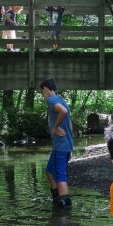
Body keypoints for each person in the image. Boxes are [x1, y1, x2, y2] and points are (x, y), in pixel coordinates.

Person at [40, 77, 74, 209]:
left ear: (46, 89)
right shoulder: (62, 100)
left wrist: (54, 127)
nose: (42, 95)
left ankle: (65, 206)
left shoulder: (51, 99)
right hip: (63, 145)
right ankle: (56, 198)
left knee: (60, 176)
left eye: (42, 92)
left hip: (61, 146)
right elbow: (69, 123)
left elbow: (63, 112)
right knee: (49, 171)